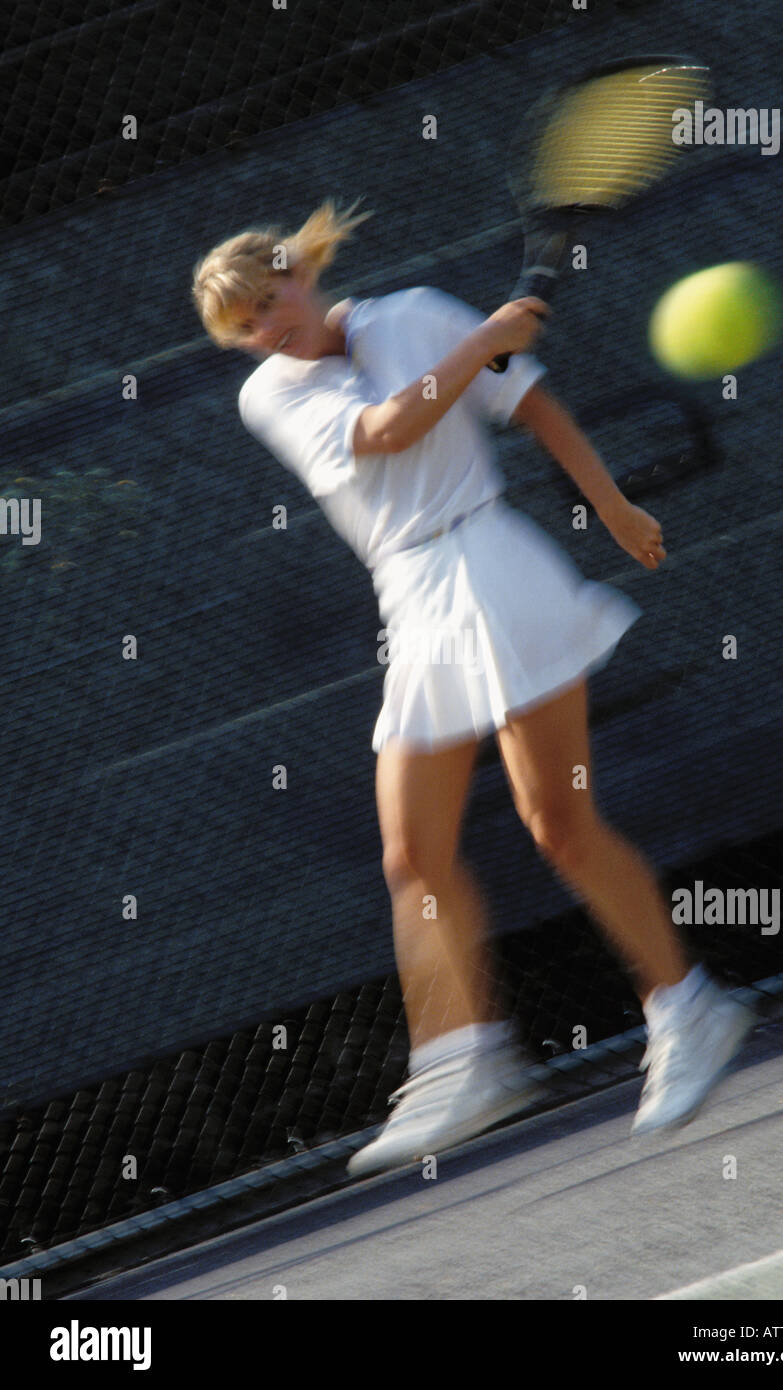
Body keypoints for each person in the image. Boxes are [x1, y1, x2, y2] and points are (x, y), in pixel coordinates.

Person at [191, 200, 753, 1177]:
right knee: (410, 852)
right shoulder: (271, 395)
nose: (264, 329)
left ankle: (687, 1007)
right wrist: (486, 336)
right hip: (413, 599)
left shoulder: (413, 310)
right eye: (242, 327)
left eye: (267, 301)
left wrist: (611, 501)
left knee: (558, 826)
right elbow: (385, 427)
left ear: (299, 274)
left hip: (493, 568)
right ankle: (465, 1060)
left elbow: (525, 398)